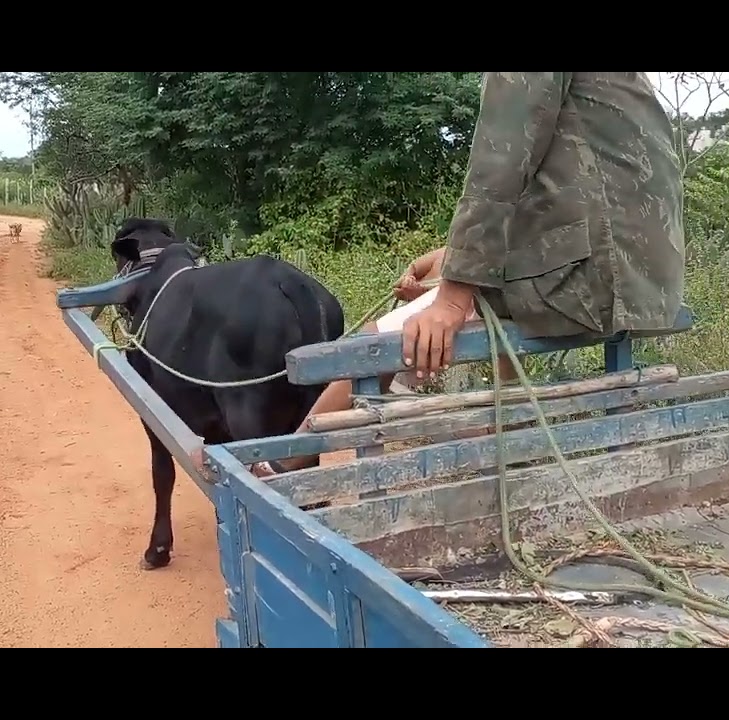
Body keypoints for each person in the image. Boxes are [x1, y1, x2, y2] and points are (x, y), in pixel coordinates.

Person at [253, 73, 685, 477]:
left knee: (386, 336)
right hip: (640, 277)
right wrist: (451, 266)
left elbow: (500, 163)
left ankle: (286, 462)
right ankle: (506, 436)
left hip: (597, 278)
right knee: (467, 293)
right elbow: (573, 193)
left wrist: (452, 297)